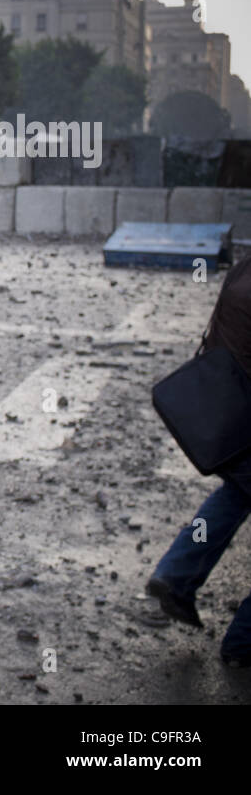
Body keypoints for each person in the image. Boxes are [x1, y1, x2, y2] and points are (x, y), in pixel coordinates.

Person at [147, 255, 251, 667]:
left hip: (230, 417)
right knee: (235, 498)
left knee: (235, 498)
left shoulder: (243, 269)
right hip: (245, 413)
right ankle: (243, 641)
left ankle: (176, 574)